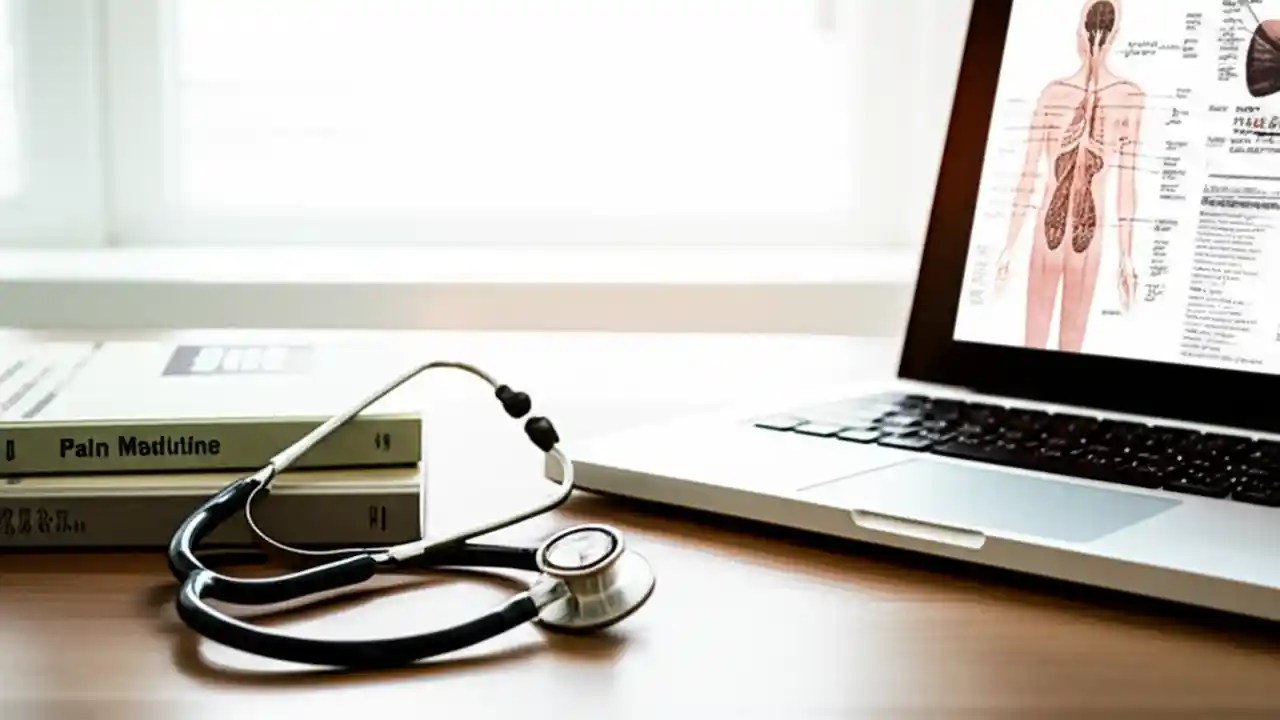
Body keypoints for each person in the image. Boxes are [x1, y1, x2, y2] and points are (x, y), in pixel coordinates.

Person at [995, 0, 1144, 351]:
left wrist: (1008, 246)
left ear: (1079, 33)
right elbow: (1125, 182)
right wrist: (1126, 256)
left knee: (1049, 345)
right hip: (1079, 240)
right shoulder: (1125, 97)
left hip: (1067, 238)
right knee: (1058, 347)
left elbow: (1028, 175)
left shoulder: (1058, 94)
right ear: (1117, 35)